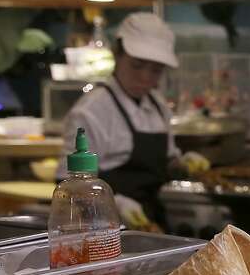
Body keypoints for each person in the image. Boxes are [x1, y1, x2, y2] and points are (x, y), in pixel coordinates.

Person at [57, 12, 208, 226]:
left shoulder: (157, 105)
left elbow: (164, 164)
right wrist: (113, 203)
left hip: (152, 223)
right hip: (105, 228)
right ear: (117, 55)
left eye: (156, 70)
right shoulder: (91, 111)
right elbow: (68, 185)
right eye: (137, 65)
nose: (145, 77)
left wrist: (182, 164)